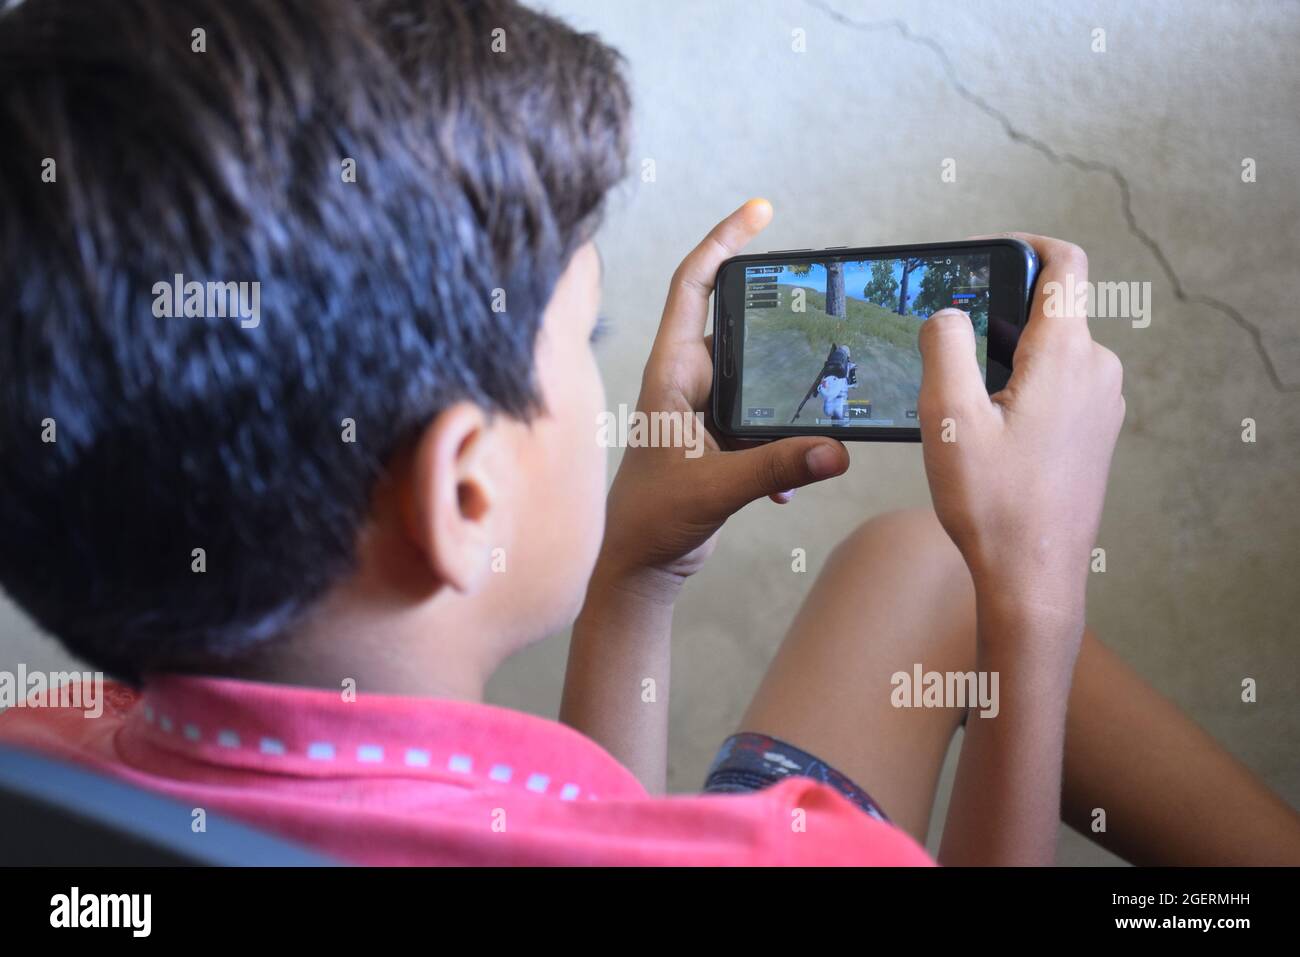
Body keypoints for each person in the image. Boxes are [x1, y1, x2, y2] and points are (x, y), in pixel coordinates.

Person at [1, 0, 1297, 866]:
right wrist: (1038, 591)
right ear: (462, 497)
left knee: (917, 566)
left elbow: (600, 831)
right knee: (967, 585)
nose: (604, 387)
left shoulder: (48, 750)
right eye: (588, 346)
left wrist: (635, 565)